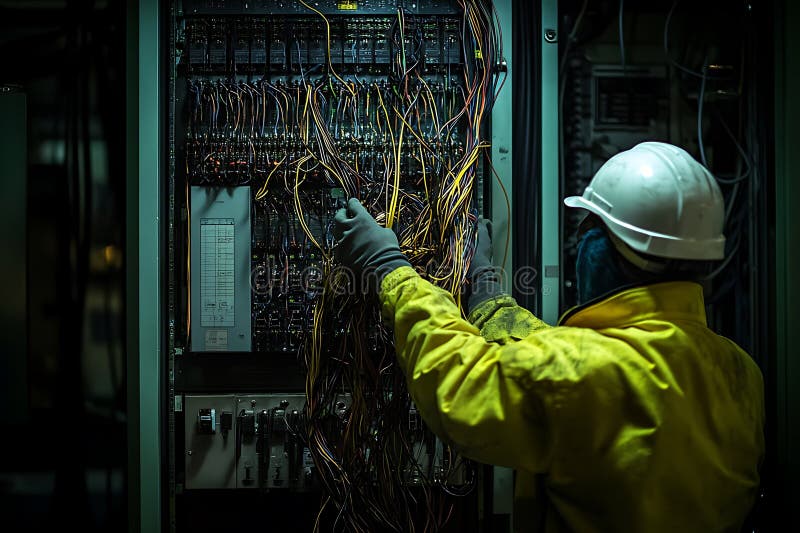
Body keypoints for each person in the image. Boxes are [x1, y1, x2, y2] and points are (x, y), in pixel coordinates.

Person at [332, 142, 764, 532]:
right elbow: (564, 373)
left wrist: (390, 269)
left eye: (590, 232)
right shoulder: (739, 370)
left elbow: (460, 385)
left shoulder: (586, 369)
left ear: (615, 248)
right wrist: (487, 295)